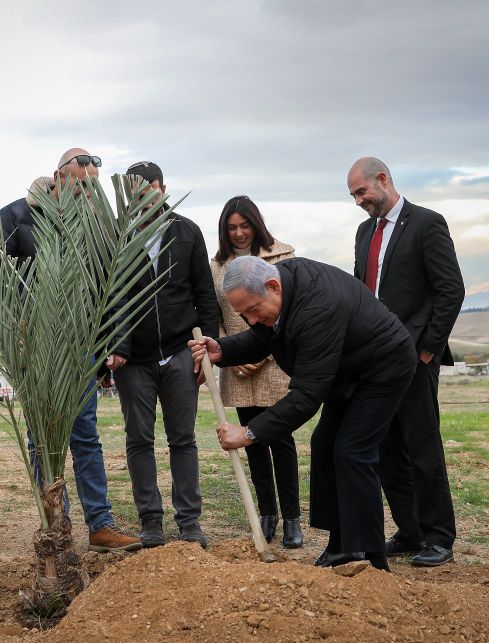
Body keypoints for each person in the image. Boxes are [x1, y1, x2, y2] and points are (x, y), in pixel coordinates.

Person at [191, 255, 415, 571]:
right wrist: (223, 350)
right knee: (325, 445)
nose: (251, 319)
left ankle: (369, 557)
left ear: (272, 286)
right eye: (244, 315)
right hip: (345, 371)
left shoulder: (317, 307)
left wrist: (250, 432)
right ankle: (341, 546)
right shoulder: (282, 290)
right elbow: (263, 336)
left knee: (353, 452)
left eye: (253, 310)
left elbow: (306, 396)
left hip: (383, 368)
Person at [0, 148, 141, 553]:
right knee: (42, 438)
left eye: (92, 188)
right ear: (59, 176)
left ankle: (100, 524)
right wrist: (14, 326)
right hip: (35, 346)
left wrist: (115, 341)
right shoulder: (17, 215)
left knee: (86, 436)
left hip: (81, 347)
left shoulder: (97, 225)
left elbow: (113, 285)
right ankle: (58, 523)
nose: (88, 194)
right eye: (81, 184)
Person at [348, 157, 463, 567]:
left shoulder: (427, 223)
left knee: (422, 448)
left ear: (383, 179)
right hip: (373, 360)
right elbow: (363, 292)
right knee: (386, 449)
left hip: (415, 357)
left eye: (362, 192)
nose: (359, 201)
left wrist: (428, 348)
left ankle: (438, 536)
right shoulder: (364, 232)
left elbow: (451, 290)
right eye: (354, 196)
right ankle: (410, 530)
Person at [112, 161, 220, 549]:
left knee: (183, 439)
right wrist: (114, 347)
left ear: (162, 187)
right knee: (139, 439)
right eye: (133, 190)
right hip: (134, 361)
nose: (140, 196)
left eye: (148, 187)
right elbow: (109, 299)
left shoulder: (187, 232)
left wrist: (207, 350)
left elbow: (205, 295)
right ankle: (151, 522)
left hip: (179, 353)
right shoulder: (116, 237)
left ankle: (189, 522)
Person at [209, 195, 301, 548]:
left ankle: (292, 517)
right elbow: (214, 314)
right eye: (231, 228)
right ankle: (267, 515)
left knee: (280, 438)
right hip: (237, 364)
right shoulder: (217, 266)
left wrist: (261, 352)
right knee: (251, 440)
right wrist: (230, 349)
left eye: (244, 226)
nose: (239, 233)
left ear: (256, 224)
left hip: (274, 362)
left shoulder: (282, 255)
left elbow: (289, 306)